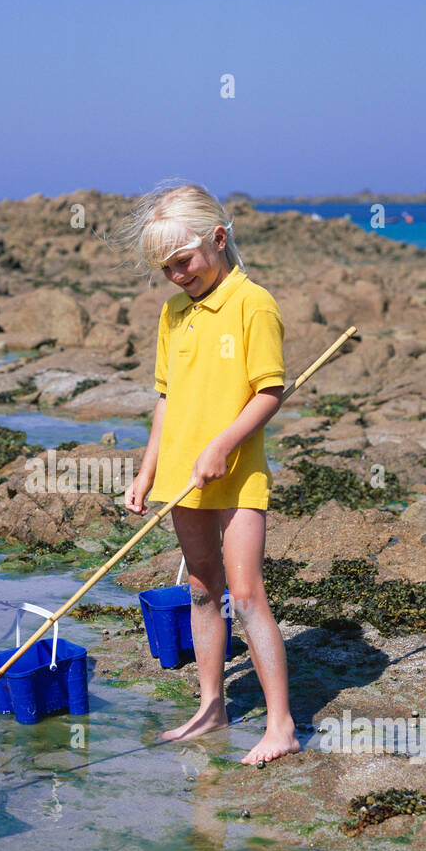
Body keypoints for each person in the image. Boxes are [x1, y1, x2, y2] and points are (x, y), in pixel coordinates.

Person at [119, 183, 299, 766]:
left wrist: (223, 444)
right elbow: (166, 401)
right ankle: (212, 705)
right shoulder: (173, 313)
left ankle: (281, 725)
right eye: (165, 268)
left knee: (245, 596)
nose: (176, 276)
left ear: (218, 239)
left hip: (237, 473)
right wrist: (147, 472)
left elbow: (269, 391)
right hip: (181, 476)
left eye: (184, 262)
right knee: (201, 588)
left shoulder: (254, 303)